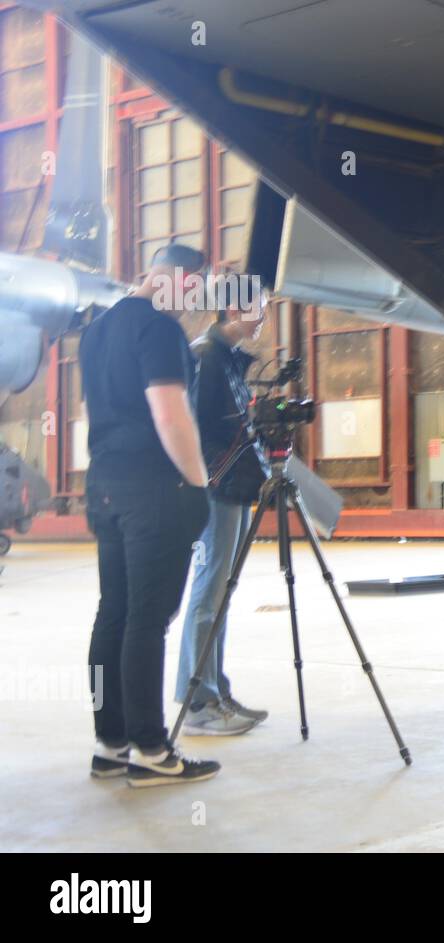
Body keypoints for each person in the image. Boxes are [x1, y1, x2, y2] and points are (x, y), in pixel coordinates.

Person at [82, 244, 220, 787]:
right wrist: (197, 482)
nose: (192, 304)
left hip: (105, 484)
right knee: (148, 618)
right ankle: (151, 750)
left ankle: (110, 743)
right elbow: (170, 412)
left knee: (112, 613)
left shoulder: (99, 328)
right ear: (179, 280)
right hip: (154, 486)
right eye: (194, 290)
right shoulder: (160, 330)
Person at [174, 282, 270, 735]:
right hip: (218, 486)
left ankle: (214, 689)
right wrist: (214, 474)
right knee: (209, 591)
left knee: (220, 593)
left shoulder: (226, 356)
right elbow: (196, 425)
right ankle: (199, 704)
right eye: (259, 307)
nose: (264, 315)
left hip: (233, 483)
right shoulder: (208, 356)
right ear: (233, 308)